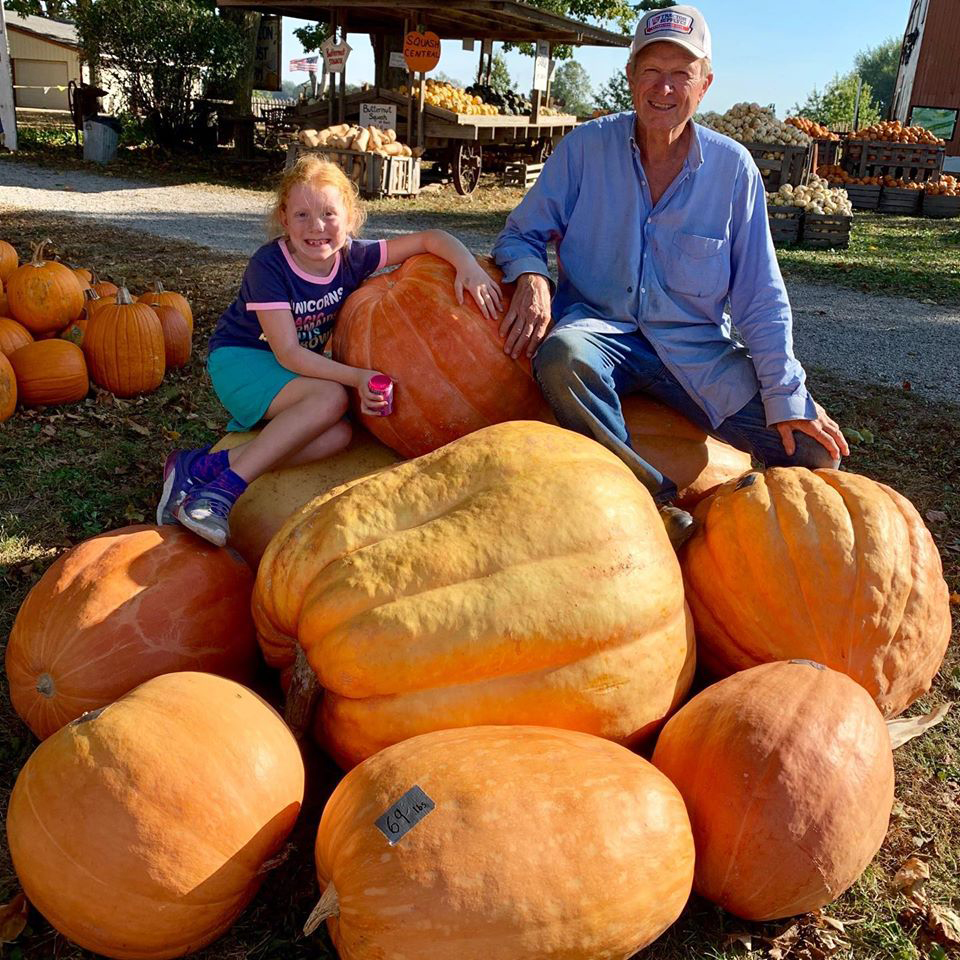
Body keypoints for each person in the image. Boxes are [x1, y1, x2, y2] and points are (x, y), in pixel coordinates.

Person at [492, 4, 848, 548]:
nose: (664, 87)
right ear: (631, 78)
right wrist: (533, 276)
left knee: (814, 456)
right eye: (651, 71)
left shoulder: (733, 171)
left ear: (704, 85)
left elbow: (760, 297)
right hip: (599, 332)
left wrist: (787, 394)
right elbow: (521, 234)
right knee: (561, 357)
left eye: (680, 74)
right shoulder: (585, 150)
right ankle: (651, 502)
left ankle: (754, 548)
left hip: (695, 352)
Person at [158, 154, 503, 547]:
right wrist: (357, 379)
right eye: (302, 215)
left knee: (338, 436)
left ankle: (200, 466)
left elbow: (430, 238)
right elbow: (288, 353)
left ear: (351, 218)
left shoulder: (352, 257)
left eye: (328, 213)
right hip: (240, 360)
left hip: (286, 368)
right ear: (284, 220)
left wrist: (466, 266)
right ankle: (220, 493)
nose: (317, 227)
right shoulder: (270, 266)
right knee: (331, 397)